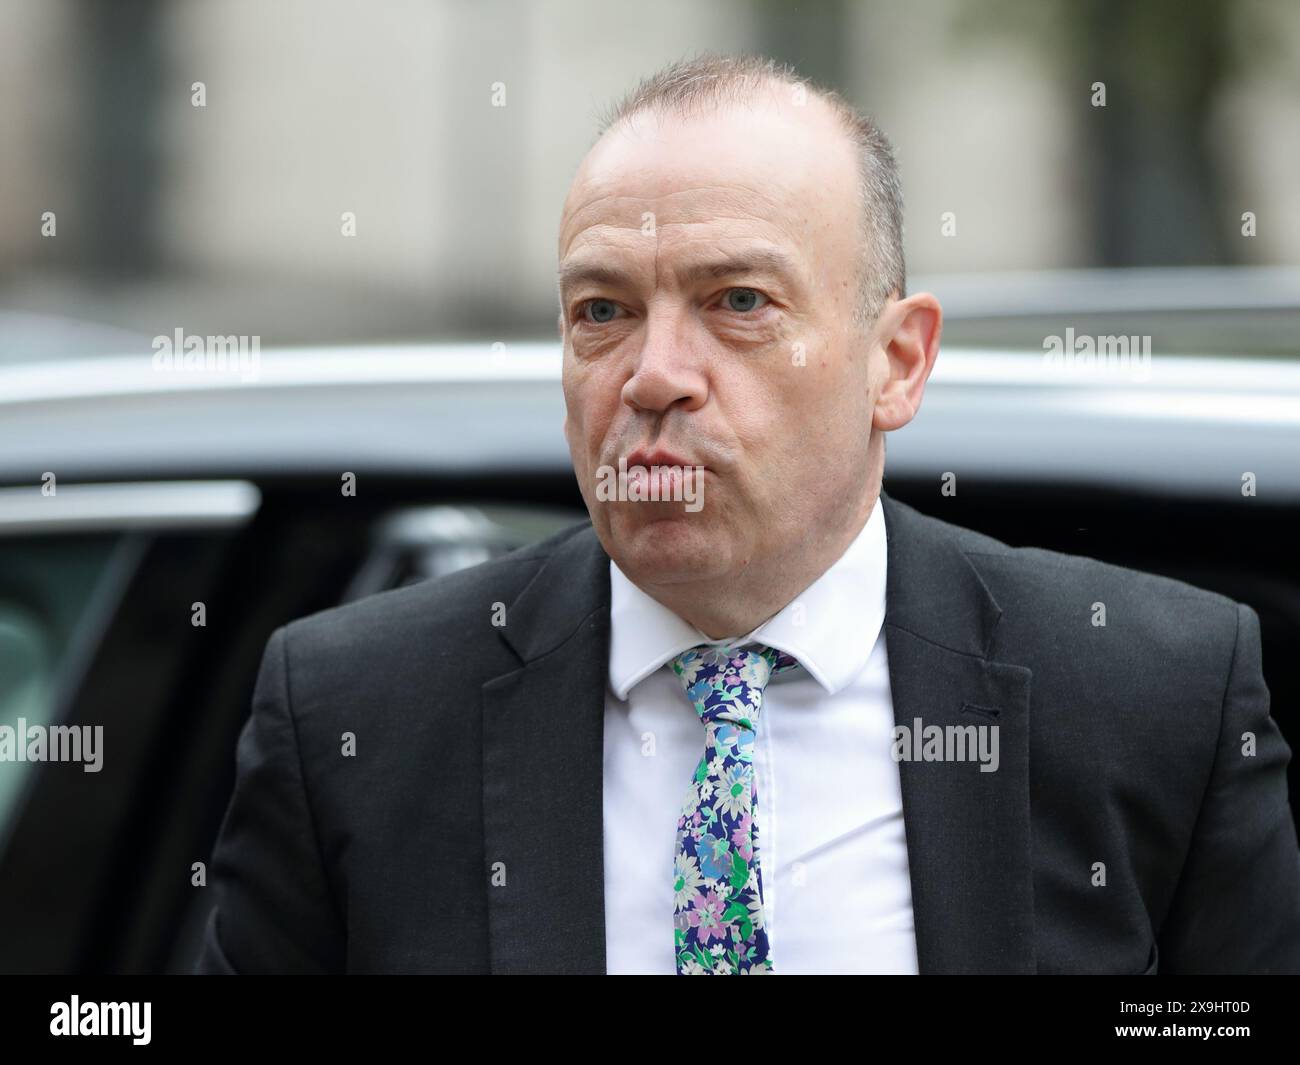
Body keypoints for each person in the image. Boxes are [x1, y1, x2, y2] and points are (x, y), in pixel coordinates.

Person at [194, 52, 1300, 974]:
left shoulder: (1152, 696)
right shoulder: (355, 717)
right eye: (601, 311)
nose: (653, 375)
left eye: (737, 303)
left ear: (896, 362)